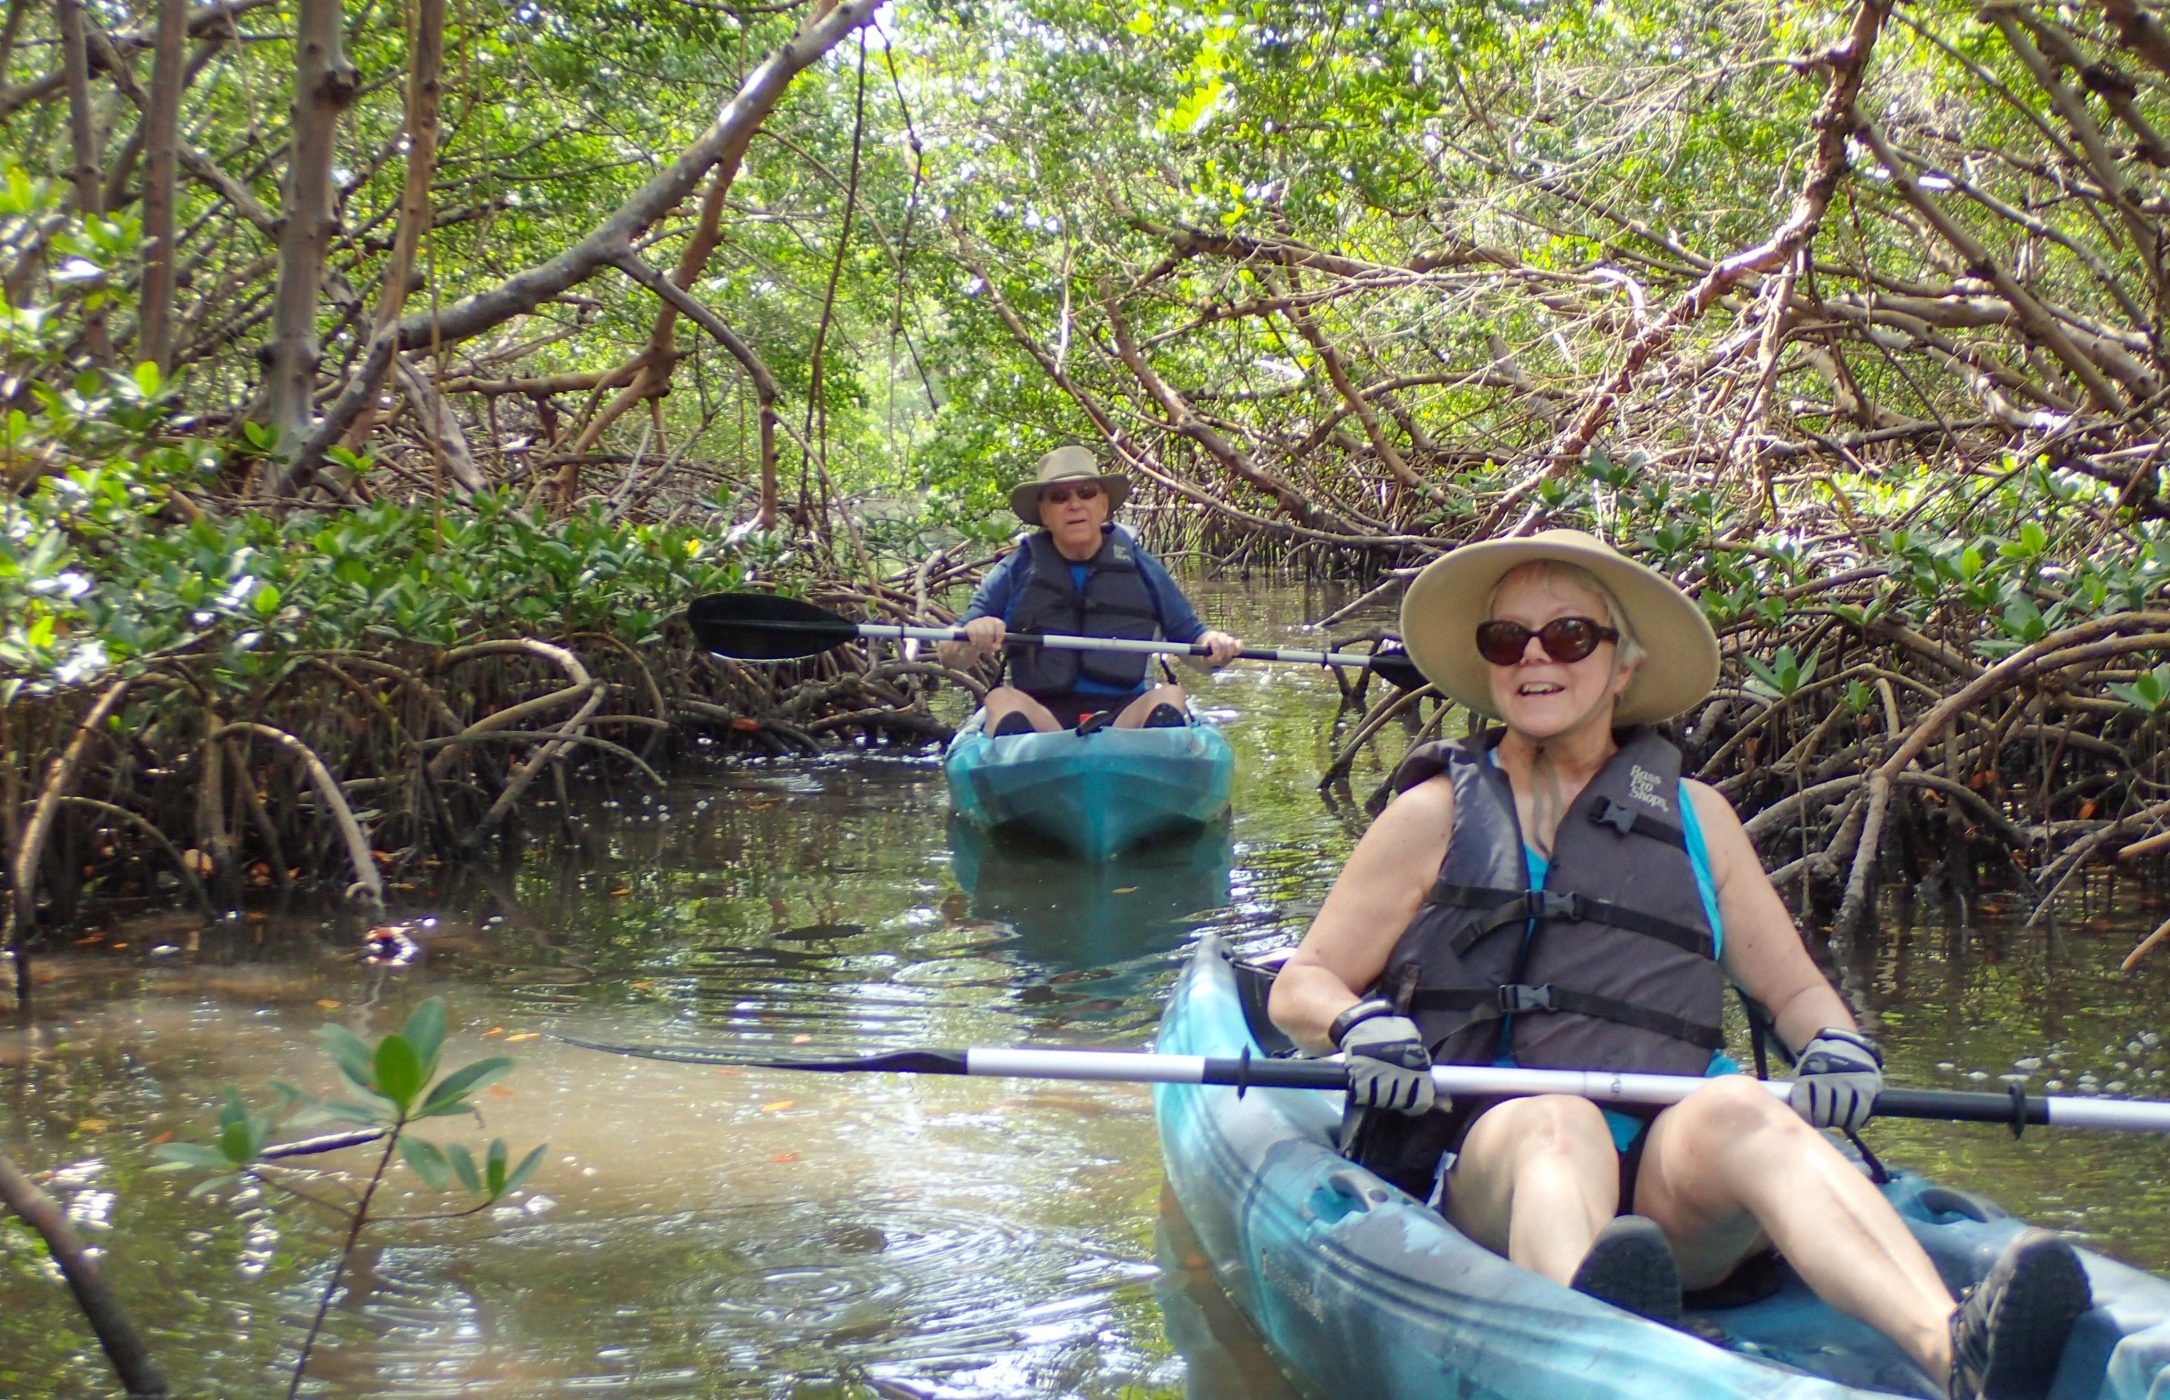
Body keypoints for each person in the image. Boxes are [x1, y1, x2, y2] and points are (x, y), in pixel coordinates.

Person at [1266, 529, 2091, 1400]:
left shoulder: (1697, 815)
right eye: (1507, 639)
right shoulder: (1432, 815)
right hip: (1501, 1163)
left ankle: (1952, 1352)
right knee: (1559, 1120)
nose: (1536, 658)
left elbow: (1795, 990)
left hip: (1671, 1177)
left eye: (1571, 636)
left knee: (1741, 1106)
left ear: (1623, 665)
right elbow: (1301, 984)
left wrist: (1837, 1045)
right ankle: (1592, 1364)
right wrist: (1359, 1022)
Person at [936, 445, 1242, 736]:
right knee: (1001, 700)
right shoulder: (1016, 569)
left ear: (1103, 505)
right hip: (1042, 719)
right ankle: (1024, 768)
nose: (1074, 504)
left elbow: (1193, 642)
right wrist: (973, 636)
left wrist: (1215, 645)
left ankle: (1149, 762)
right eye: (1059, 497)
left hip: (1125, 719)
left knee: (1170, 696)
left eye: (1086, 493)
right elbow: (950, 656)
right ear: (1044, 513)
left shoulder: (1142, 567)